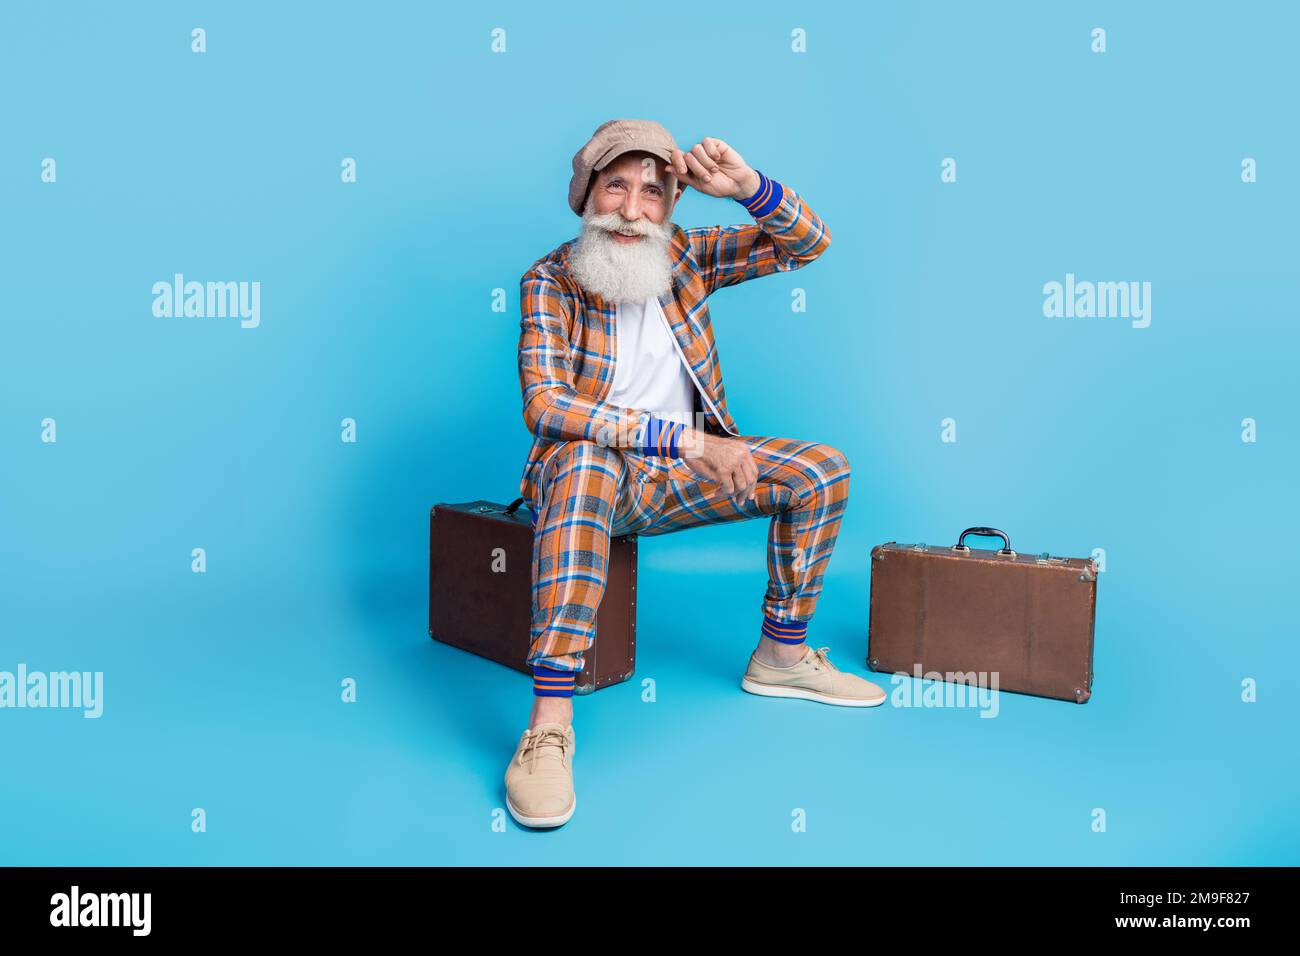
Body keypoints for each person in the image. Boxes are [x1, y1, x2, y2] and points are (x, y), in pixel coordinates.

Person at [507, 119, 885, 828]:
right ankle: (548, 726)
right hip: (585, 481)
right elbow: (546, 405)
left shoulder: (683, 259)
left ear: (671, 206)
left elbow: (808, 243)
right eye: (615, 186)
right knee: (588, 461)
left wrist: (748, 188)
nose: (631, 208)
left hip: (675, 481)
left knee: (821, 471)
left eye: (653, 192)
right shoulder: (548, 280)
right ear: (586, 195)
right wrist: (683, 440)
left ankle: (782, 653)